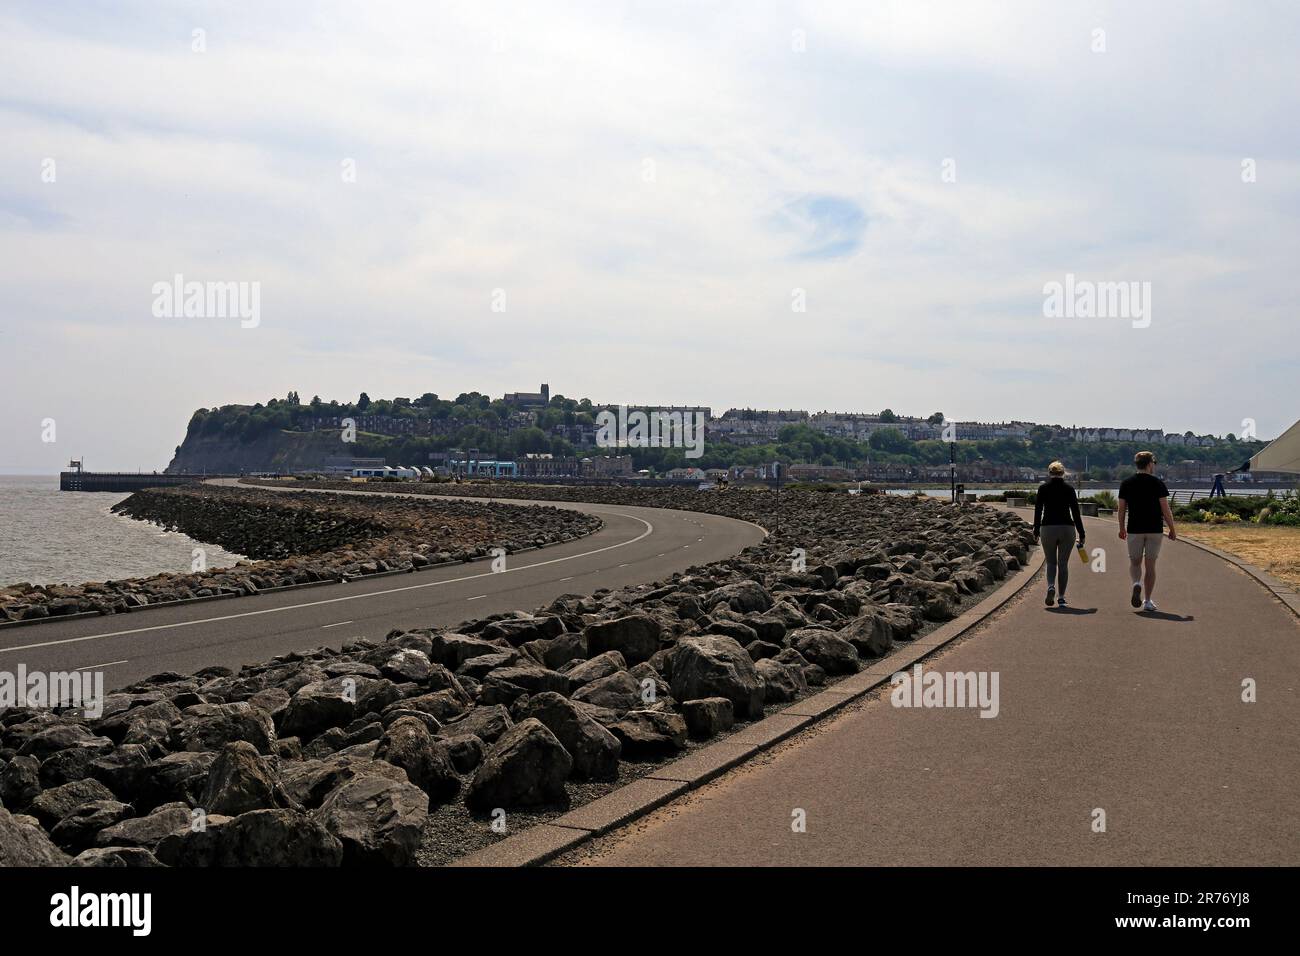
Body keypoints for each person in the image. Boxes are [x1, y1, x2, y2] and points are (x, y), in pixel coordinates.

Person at [1116, 450, 1177, 612]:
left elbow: (1121, 509)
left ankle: (1136, 583)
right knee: (1150, 565)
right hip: (1154, 529)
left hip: (1135, 529)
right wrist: (1172, 528)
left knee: (1135, 562)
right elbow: (1166, 510)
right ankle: (1148, 601)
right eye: (1154, 464)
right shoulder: (1157, 483)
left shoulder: (1126, 483)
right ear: (1150, 464)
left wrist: (1121, 528)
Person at [1033, 461, 1086, 607]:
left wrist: (1036, 530)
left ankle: (1051, 586)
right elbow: (1075, 513)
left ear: (1049, 473)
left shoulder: (1043, 489)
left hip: (1048, 527)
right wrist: (1081, 532)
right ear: (1063, 473)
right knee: (1063, 564)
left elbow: (1038, 510)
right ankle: (1061, 598)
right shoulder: (1069, 489)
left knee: (1050, 562)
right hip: (1066, 528)